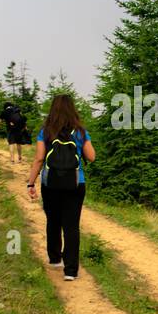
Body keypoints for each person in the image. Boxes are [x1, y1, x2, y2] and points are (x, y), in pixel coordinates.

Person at [26, 94, 94, 281]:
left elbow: (39, 158)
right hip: (75, 182)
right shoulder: (80, 131)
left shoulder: (46, 131)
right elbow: (91, 156)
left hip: (51, 183)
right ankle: (71, 270)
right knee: (71, 226)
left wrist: (31, 182)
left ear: (53, 109)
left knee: (53, 220)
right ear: (72, 109)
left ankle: (55, 259)